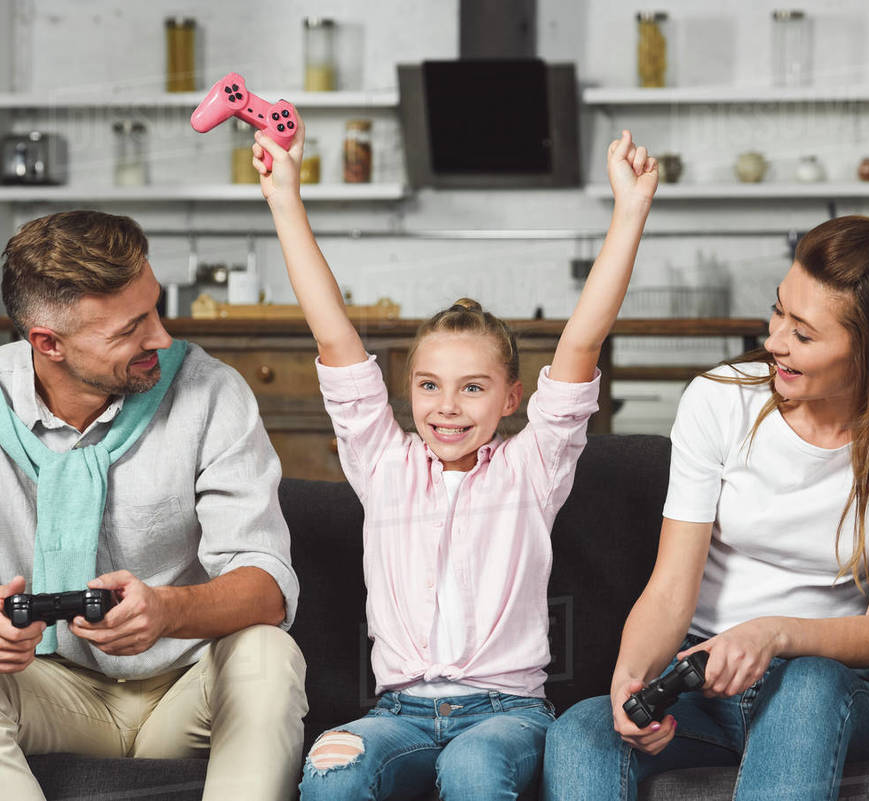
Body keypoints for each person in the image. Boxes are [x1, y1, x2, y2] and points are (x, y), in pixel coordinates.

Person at [249, 116, 658, 800]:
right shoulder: (382, 462)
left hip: (506, 714)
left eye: (473, 388)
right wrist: (285, 198)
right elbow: (332, 330)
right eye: (429, 386)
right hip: (397, 715)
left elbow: (583, 340)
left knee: (471, 771)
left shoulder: (533, 468)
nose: (447, 407)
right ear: (406, 391)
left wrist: (630, 212)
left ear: (510, 399)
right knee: (330, 767)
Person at [542, 215, 869, 801]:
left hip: (834, 688)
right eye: (778, 312)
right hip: (703, 682)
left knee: (808, 685)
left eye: (804, 333)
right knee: (581, 732)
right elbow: (672, 589)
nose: (774, 341)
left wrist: (772, 635)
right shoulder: (721, 399)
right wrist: (632, 677)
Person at [0, 210, 308, 801]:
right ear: (48, 344)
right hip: (49, 691)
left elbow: (265, 585)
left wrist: (165, 610)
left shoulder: (212, 391)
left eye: (154, 309)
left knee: (269, 653)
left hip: (188, 689)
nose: (161, 337)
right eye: (130, 328)